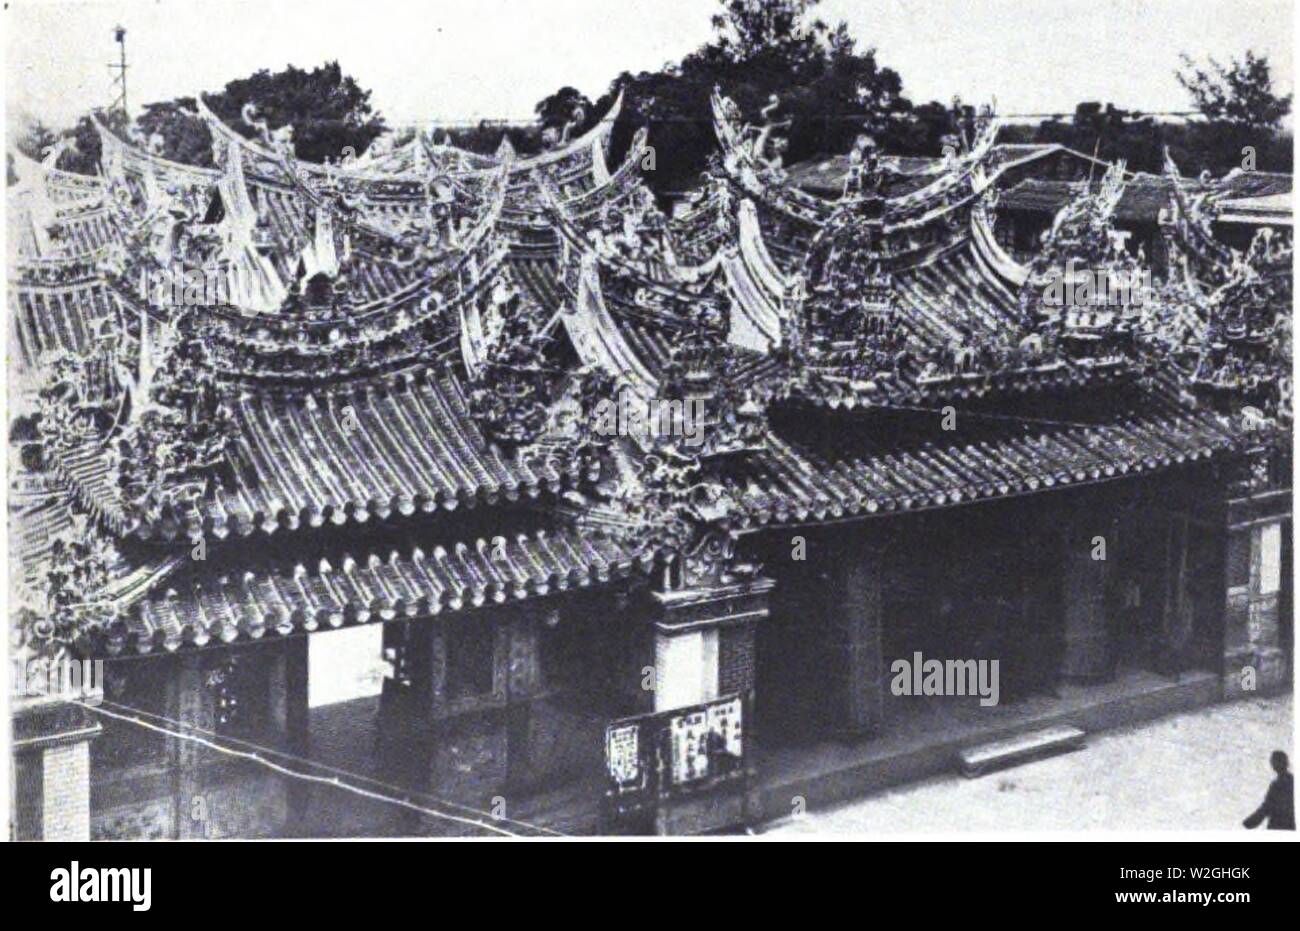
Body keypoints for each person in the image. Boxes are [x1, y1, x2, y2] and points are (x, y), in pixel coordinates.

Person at [1243, 750, 1295, 830]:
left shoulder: (1278, 784)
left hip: (1280, 826)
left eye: (1274, 761)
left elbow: (1267, 807)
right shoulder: (1284, 782)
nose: (1272, 764)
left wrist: (1249, 823)